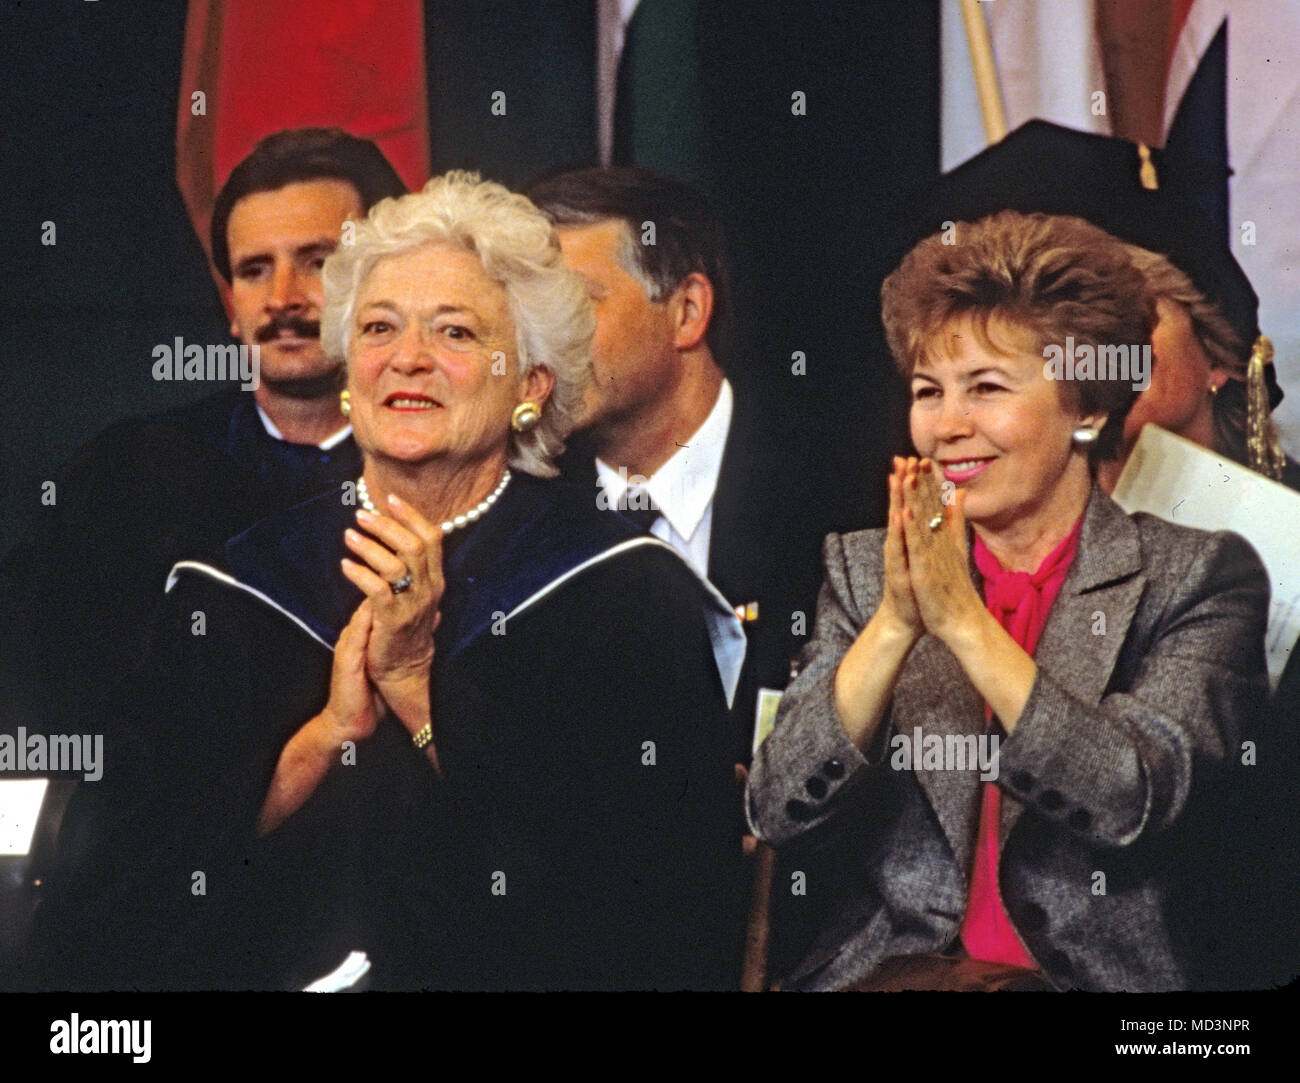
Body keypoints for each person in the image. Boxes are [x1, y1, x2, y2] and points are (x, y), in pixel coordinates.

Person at [29, 172, 745, 991]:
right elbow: (100, 904)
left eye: (456, 333)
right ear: (347, 370)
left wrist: (420, 697)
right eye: (379, 327)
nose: (409, 358)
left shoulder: (622, 592)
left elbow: (665, 920)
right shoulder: (233, 587)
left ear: (531, 384)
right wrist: (323, 737)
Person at [747, 210, 1271, 992]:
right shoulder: (864, 570)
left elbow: (1132, 793)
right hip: (888, 980)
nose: (947, 426)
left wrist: (962, 622)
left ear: (1087, 408)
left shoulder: (1196, 577)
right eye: (929, 391)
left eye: (986, 387)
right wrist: (896, 620)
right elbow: (780, 808)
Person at [527, 166, 845, 763]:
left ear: (687, 311)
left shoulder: (840, 497)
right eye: (528, 314)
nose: (542, 343)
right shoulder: (522, 511)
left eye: (573, 304)